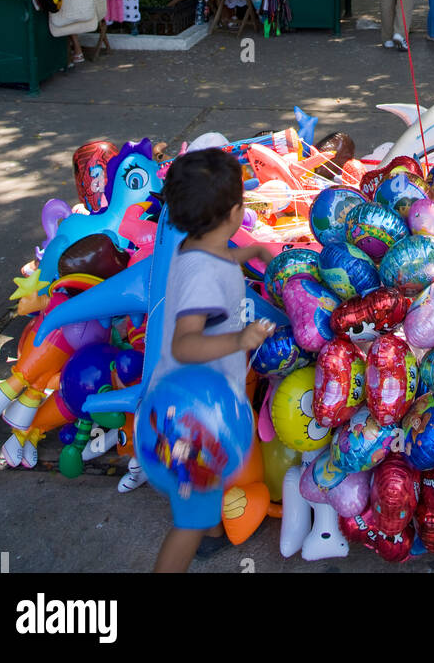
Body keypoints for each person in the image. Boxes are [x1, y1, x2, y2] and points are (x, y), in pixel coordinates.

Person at [151, 149, 275, 573]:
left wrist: (253, 251)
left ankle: (209, 530)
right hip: (191, 421)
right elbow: (185, 344)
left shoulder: (199, 246)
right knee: (188, 522)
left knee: (197, 504)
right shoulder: (202, 275)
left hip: (190, 407)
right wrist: (240, 338)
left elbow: (219, 260)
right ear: (236, 210)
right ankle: (196, 535)